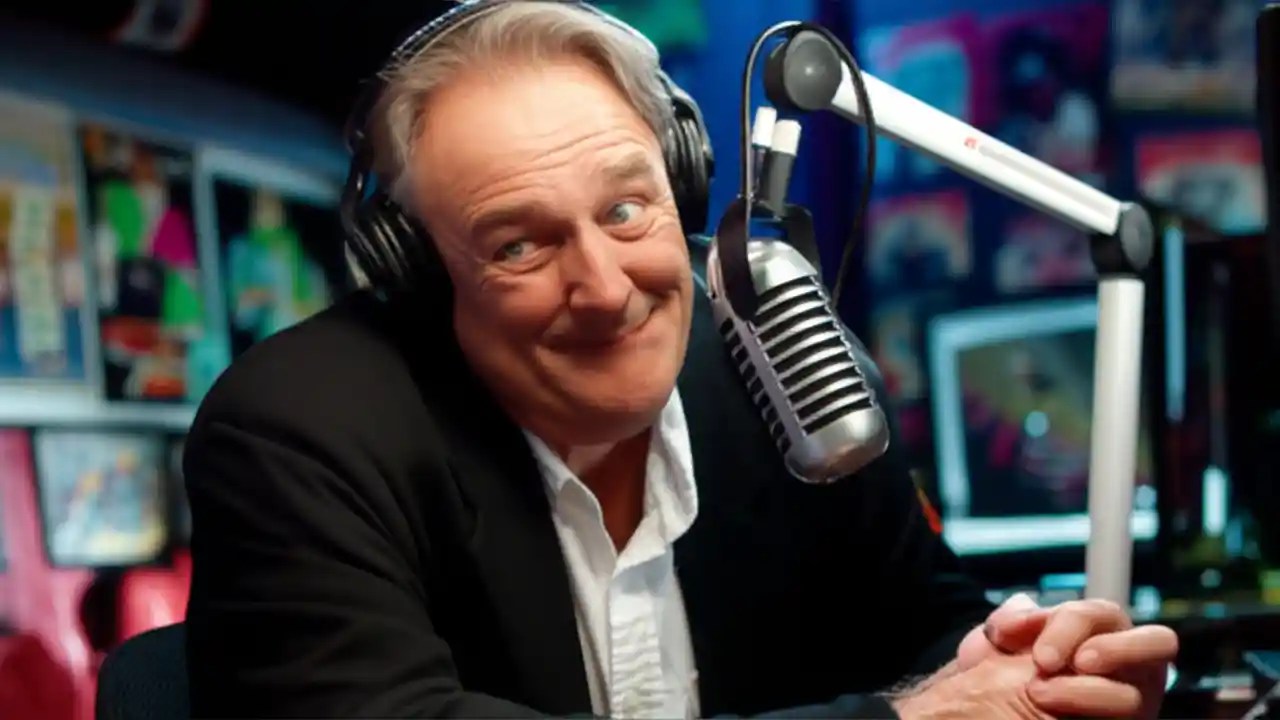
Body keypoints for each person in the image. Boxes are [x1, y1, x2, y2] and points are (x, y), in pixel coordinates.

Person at [183, 2, 1177, 718]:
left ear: (685, 186)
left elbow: (923, 622)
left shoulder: (772, 349)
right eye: (518, 245)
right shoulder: (296, 433)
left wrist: (1034, 669)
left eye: (625, 210)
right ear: (417, 272)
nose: (607, 288)